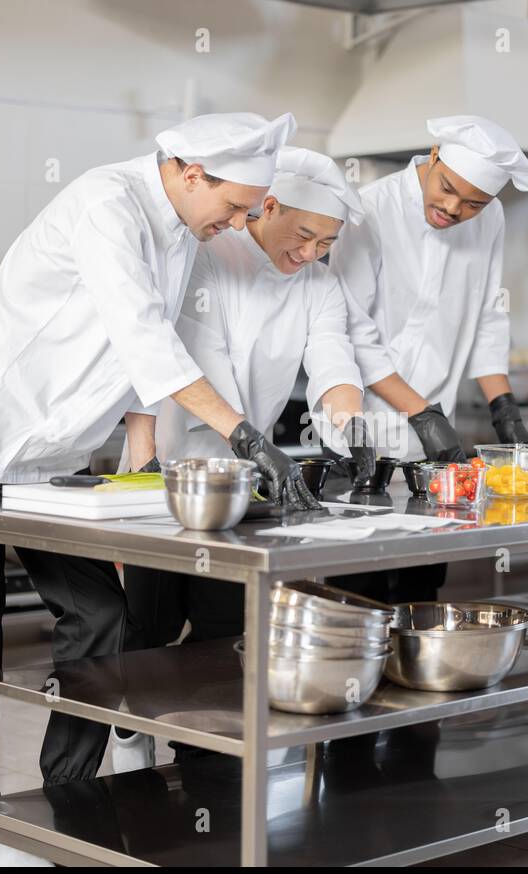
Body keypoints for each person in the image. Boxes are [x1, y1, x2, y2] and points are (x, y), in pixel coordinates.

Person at [0, 112, 320, 865]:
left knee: (100, 619)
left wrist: (141, 463)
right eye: (233, 206)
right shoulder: (107, 206)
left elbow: (146, 360)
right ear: (190, 173)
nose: (237, 224)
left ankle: (54, 810)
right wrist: (247, 436)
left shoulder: (185, 233)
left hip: (46, 456)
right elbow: (145, 337)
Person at [111, 146, 375, 772]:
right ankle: (129, 739)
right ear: (270, 205)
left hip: (250, 484)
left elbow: (333, 360)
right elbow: (193, 371)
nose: (310, 253)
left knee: (222, 629)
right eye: (304, 235)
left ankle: (205, 760)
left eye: (326, 242)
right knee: (145, 628)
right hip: (170, 474)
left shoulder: (318, 282)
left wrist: (352, 425)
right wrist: (253, 445)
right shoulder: (207, 256)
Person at [327, 115, 528, 603]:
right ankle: (359, 681)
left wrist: (504, 408)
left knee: (422, 589)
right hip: (360, 435)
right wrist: (419, 411)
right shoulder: (371, 209)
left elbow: (488, 314)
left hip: (430, 450)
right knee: (360, 590)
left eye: (473, 203)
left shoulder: (491, 220)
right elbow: (351, 333)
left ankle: (416, 676)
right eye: (447, 188)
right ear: (434, 155)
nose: (452, 208)